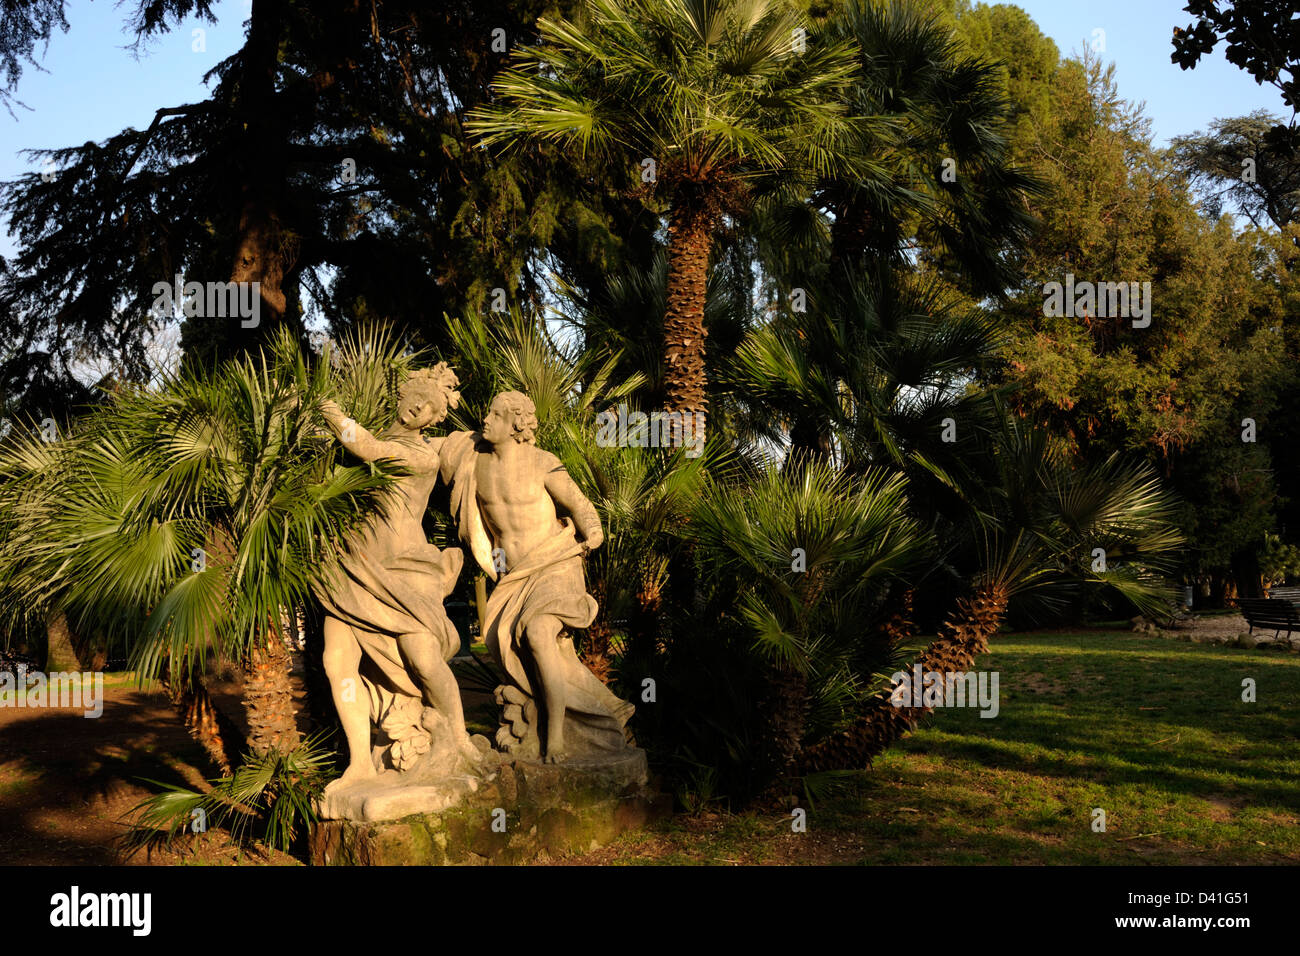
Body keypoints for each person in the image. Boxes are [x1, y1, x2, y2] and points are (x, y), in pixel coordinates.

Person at [439, 391, 633, 763]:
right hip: (514, 575)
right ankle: (606, 709)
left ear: (515, 425)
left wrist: (593, 530)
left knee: (539, 632)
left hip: (555, 560)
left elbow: (579, 505)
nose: (486, 420)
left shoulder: (543, 462)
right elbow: (435, 449)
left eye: (495, 415)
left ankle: (556, 736)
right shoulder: (472, 461)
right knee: (543, 651)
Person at [310, 363, 475, 791]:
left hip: (403, 569)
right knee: (336, 661)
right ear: (403, 398)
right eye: (415, 398)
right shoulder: (378, 439)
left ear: (433, 418)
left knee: (422, 656)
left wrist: (326, 409)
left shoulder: (421, 456)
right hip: (351, 566)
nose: (418, 407)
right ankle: (361, 763)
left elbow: (364, 447)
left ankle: (458, 736)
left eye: (430, 408)